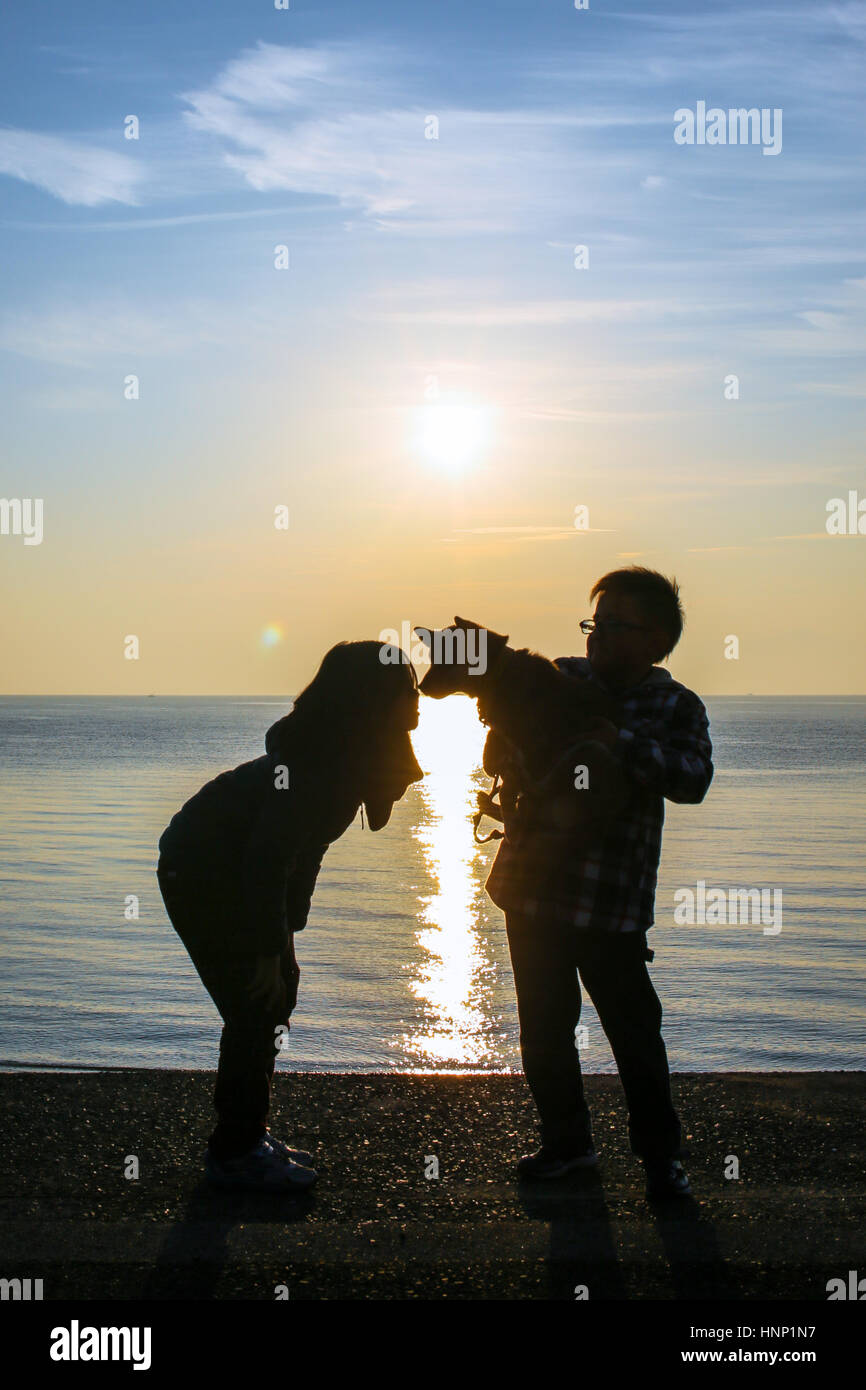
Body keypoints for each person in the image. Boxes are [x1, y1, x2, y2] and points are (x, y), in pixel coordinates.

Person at [156, 641, 423, 1193]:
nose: (416, 702)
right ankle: (235, 1152)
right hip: (203, 868)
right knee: (255, 1005)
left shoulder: (353, 754)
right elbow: (269, 860)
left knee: (280, 994)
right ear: (368, 699)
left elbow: (306, 855)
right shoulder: (315, 765)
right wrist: (264, 948)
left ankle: (247, 1133)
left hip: (244, 873)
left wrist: (286, 938)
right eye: (405, 690)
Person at [489, 567, 713, 1199]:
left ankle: (660, 1159)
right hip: (531, 892)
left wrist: (621, 743)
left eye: (618, 625)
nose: (598, 636)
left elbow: (693, 778)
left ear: (657, 640)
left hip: (611, 903)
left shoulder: (674, 705)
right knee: (544, 1027)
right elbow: (504, 731)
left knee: (634, 1032)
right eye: (596, 622)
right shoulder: (557, 678)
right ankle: (567, 1146)